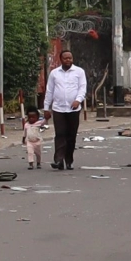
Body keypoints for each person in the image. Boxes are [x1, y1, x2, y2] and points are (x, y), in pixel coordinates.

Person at [37, 42, 89, 171]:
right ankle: (58, 160)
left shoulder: (79, 72)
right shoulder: (54, 73)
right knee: (60, 134)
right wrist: (46, 108)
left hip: (73, 109)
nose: (68, 60)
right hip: (58, 108)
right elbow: (49, 91)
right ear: (61, 59)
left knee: (71, 136)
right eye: (65, 58)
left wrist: (78, 100)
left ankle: (69, 160)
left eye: (70, 58)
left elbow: (82, 88)